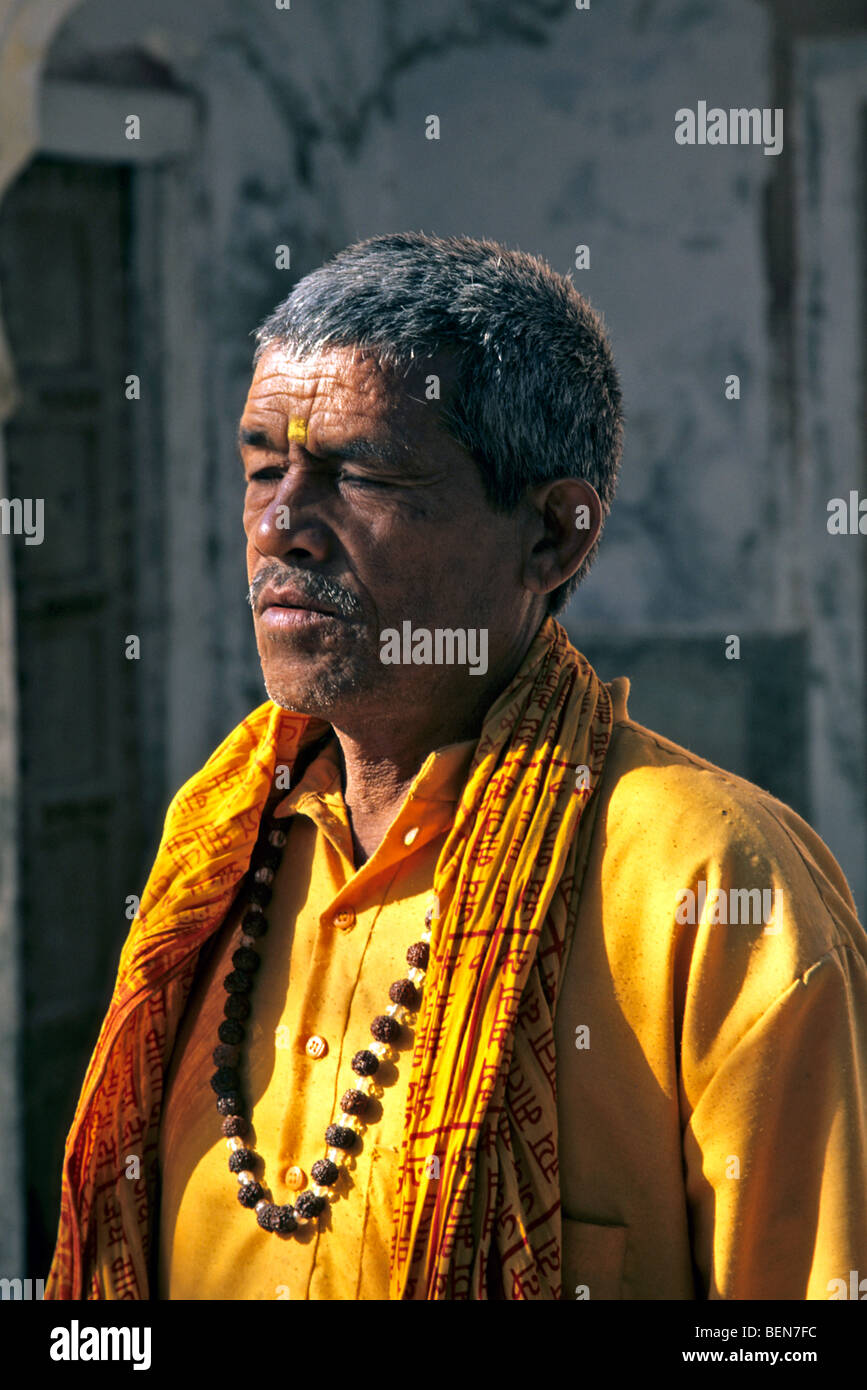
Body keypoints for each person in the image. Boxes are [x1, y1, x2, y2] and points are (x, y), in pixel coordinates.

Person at [46, 232, 867, 1301]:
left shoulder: (714, 887)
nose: (281, 526)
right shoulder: (220, 850)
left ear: (554, 539)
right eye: (262, 469)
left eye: (365, 475)